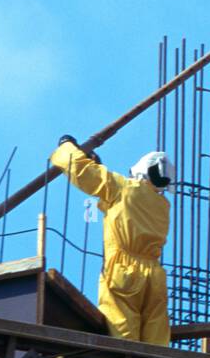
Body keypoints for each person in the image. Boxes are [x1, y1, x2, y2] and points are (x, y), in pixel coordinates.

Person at [50, 136, 174, 346]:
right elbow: (121, 206)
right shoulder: (162, 205)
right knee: (156, 337)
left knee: (123, 333)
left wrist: (66, 146)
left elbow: (81, 171)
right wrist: (100, 167)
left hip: (124, 270)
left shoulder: (122, 187)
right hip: (154, 276)